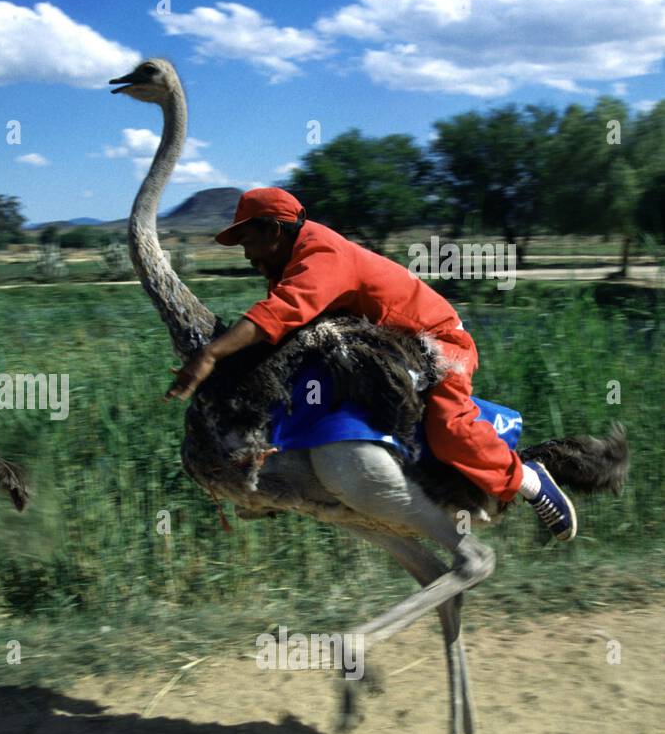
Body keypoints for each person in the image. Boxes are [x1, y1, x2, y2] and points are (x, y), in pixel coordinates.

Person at [167, 187, 576, 540]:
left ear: (274, 231)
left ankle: (530, 481)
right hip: (384, 349)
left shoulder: (321, 255)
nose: (247, 255)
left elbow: (282, 311)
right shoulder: (293, 258)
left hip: (436, 344)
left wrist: (210, 353)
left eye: (248, 242)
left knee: (449, 428)